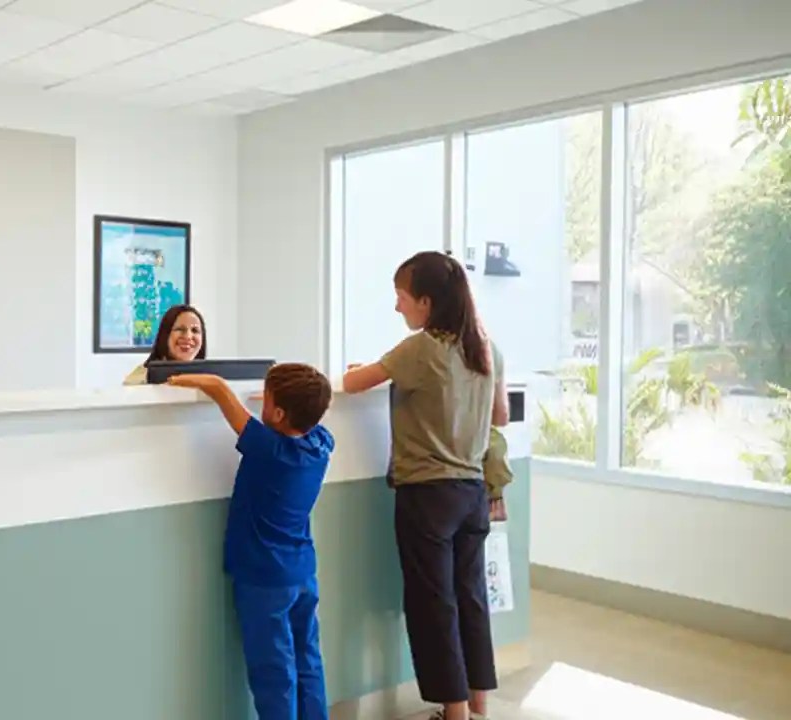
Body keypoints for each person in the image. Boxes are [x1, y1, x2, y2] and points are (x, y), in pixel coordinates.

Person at [341, 251, 509, 720]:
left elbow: (352, 385)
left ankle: (452, 713)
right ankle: (478, 705)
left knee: (433, 603)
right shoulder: (486, 347)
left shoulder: (419, 349)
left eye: (401, 298)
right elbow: (500, 416)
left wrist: (376, 369)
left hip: (427, 495)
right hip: (473, 493)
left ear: (426, 302)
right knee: (469, 596)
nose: (398, 309)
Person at [167, 364, 334, 720]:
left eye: (268, 399)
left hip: (265, 579)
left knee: (274, 672)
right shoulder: (320, 444)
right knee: (308, 659)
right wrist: (283, 400)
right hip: (302, 571)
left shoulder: (270, 450)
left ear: (276, 412)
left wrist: (210, 382)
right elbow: (301, 421)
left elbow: (222, 394)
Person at [123, 304, 207, 385]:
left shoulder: (210, 378)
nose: (188, 336)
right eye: (180, 329)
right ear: (165, 335)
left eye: (195, 330)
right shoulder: (139, 379)